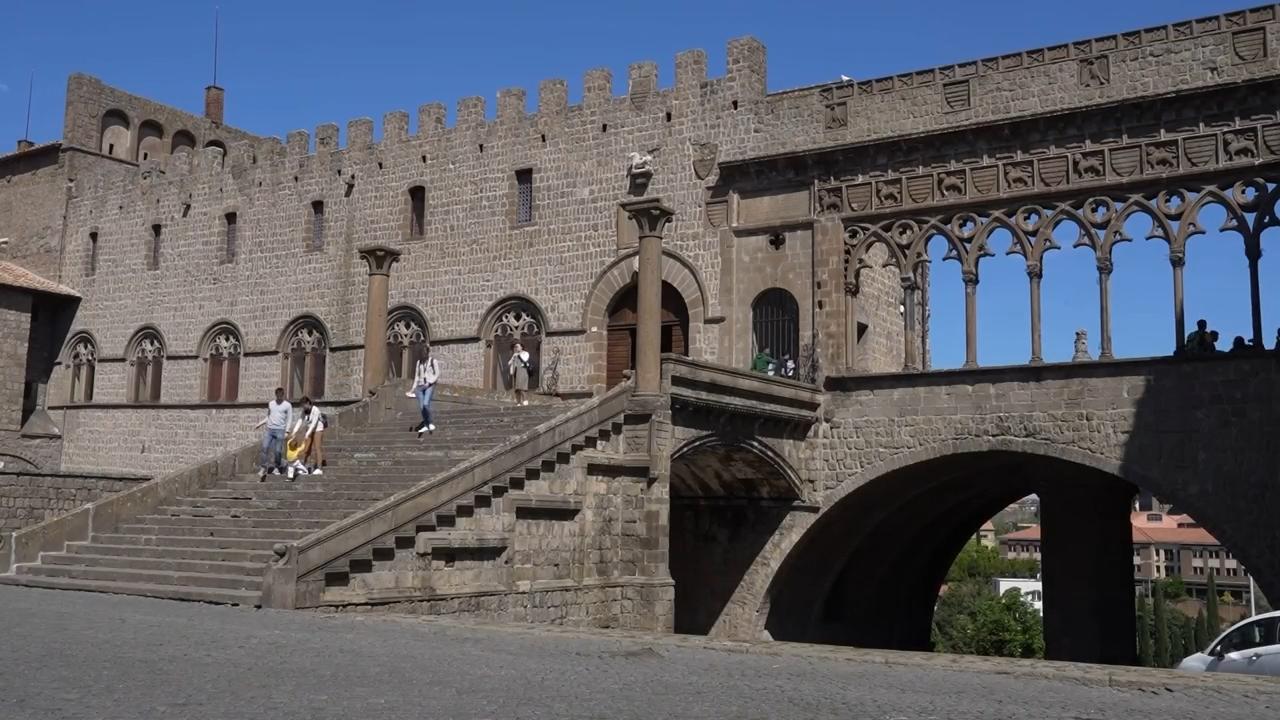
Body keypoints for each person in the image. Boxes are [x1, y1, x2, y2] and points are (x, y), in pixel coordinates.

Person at [253, 388, 292, 479]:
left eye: (281, 395)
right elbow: (269, 416)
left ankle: (277, 467)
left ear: (283, 395)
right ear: (276, 395)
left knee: (278, 451)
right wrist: (260, 423)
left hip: (280, 430)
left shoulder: (287, 405)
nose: (279, 397)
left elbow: (289, 418)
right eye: (278, 395)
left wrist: (287, 431)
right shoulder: (271, 404)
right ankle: (263, 467)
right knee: (264, 447)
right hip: (269, 429)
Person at [408, 344, 440, 437]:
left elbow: (437, 374)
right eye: (421, 353)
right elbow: (417, 377)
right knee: (422, 407)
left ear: (427, 352)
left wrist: (430, 382)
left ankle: (430, 422)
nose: (422, 354)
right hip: (420, 386)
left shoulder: (433, 361)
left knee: (426, 404)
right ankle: (427, 424)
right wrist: (413, 388)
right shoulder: (419, 363)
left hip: (429, 385)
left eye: (424, 353)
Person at [290, 396, 326, 475]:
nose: (303, 407)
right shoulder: (304, 411)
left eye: (304, 405)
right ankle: (305, 467)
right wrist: (294, 431)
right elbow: (300, 421)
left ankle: (319, 468)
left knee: (317, 447)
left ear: (308, 403)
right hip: (309, 429)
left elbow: (314, 423)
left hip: (318, 429)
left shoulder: (315, 409)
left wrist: (307, 433)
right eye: (302, 406)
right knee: (306, 448)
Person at [508, 342, 532, 406]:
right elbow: (509, 363)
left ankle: (525, 401)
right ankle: (518, 402)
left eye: (517, 346)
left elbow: (525, 360)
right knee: (517, 388)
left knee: (523, 387)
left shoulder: (525, 353)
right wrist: (513, 358)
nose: (516, 348)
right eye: (515, 347)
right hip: (516, 372)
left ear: (521, 347)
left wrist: (518, 355)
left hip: (523, 371)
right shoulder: (515, 354)